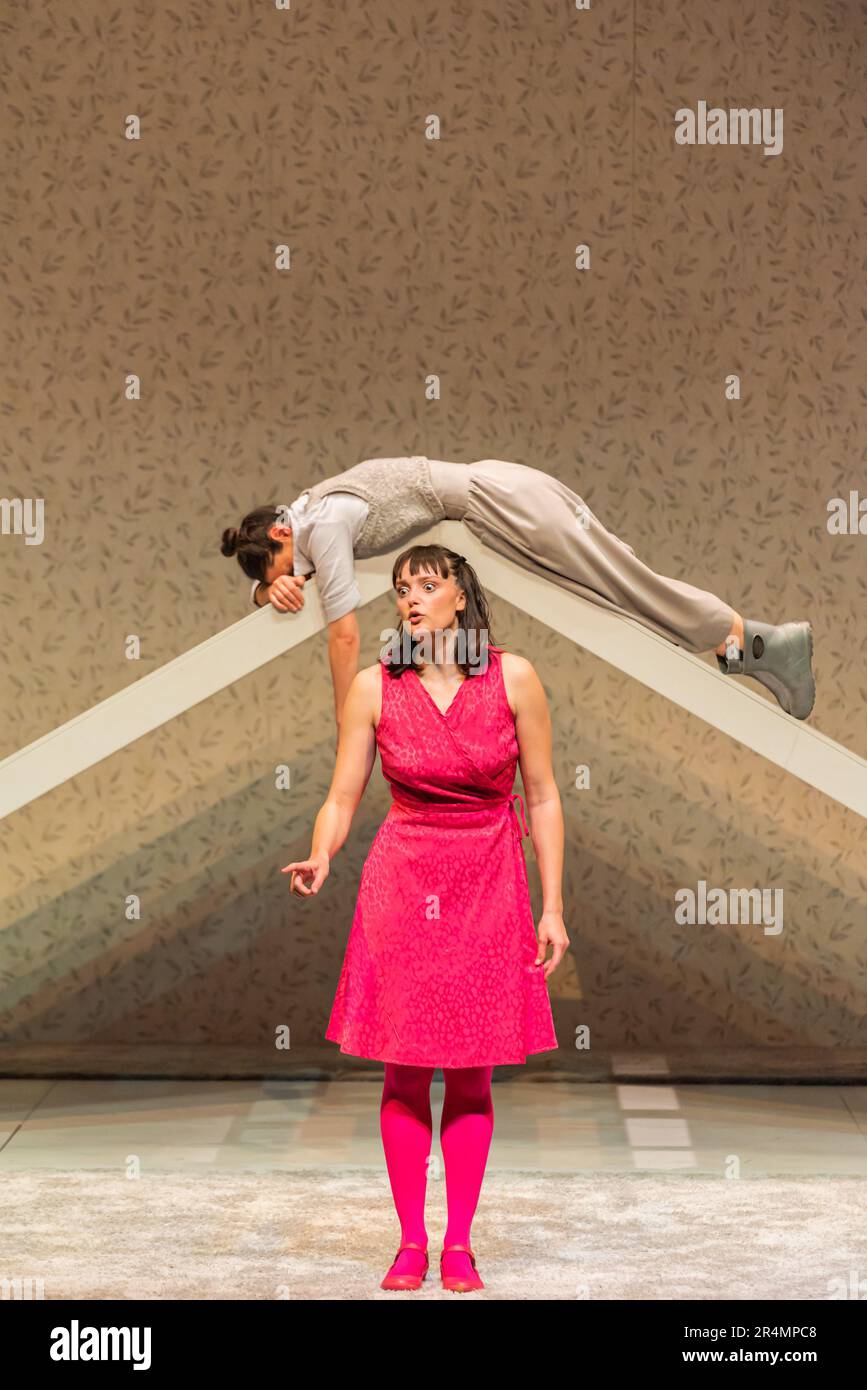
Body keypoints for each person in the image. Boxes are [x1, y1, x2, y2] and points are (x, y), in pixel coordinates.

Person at [282, 543, 569, 1292]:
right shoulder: (375, 687)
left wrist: (554, 906)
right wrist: (321, 855)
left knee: (471, 1072)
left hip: (488, 878)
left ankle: (460, 1245)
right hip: (404, 880)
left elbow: (541, 796)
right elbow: (342, 795)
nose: (410, 598)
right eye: (401, 587)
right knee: (405, 1069)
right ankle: (411, 1242)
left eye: (427, 585)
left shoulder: (514, 676)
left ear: (460, 600)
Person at [220, 454, 816, 726]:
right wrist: (263, 593)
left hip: (501, 505)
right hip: (500, 502)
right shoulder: (308, 513)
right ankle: (752, 651)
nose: (297, 578)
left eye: (286, 569)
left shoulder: (319, 525)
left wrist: (346, 718)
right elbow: (307, 569)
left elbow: (343, 635)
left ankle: (764, 644)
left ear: (279, 534)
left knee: (628, 588)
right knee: (619, 589)